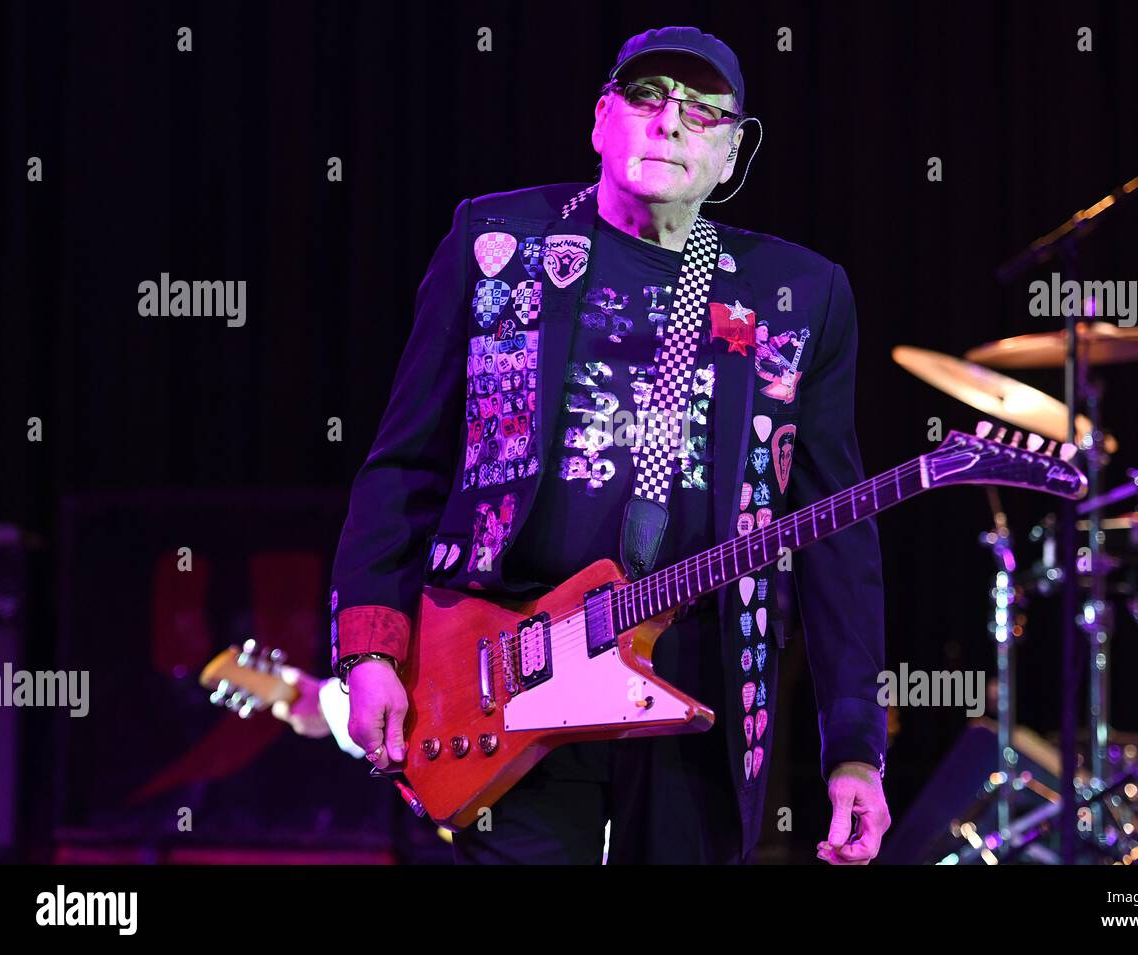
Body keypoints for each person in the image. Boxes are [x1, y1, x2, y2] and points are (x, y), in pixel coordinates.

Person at [329, 25, 890, 864]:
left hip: (694, 681)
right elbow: (405, 460)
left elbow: (834, 534)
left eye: (704, 114)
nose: (671, 123)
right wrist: (371, 647)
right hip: (502, 658)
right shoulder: (497, 244)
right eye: (649, 98)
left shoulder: (799, 294)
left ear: (733, 155)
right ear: (601, 120)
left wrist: (853, 747)